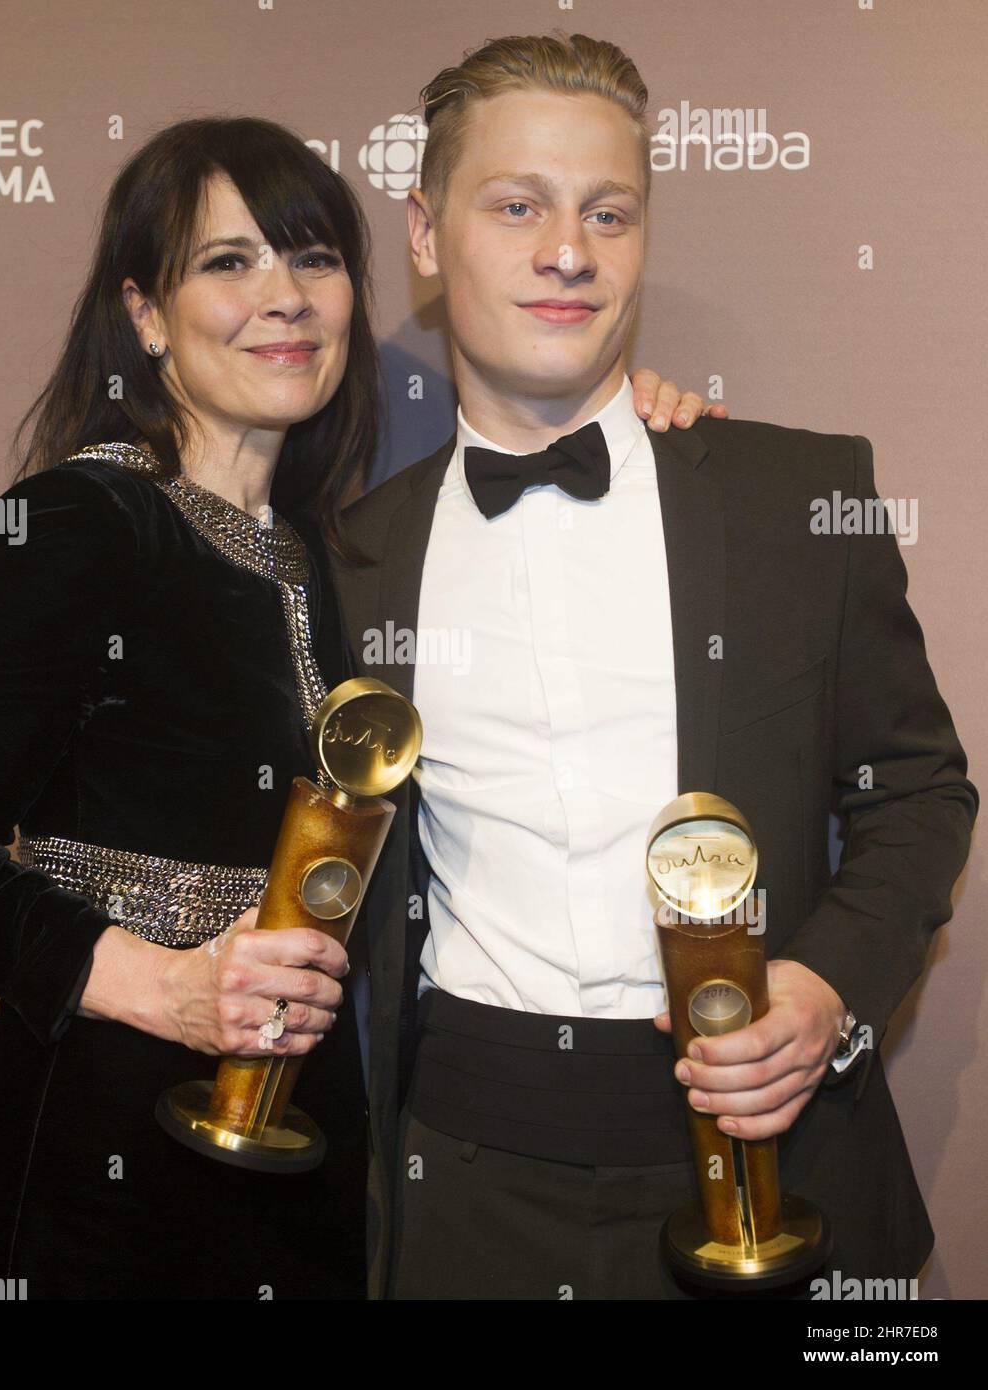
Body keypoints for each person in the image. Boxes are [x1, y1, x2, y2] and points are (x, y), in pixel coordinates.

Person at [0, 111, 707, 1299]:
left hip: (308, 1158)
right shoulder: (75, 525)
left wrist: (625, 407)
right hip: (99, 1159)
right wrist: (169, 987)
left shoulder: (333, 559)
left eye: (312, 258)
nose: (285, 296)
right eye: (228, 262)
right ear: (145, 313)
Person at [330, 32, 978, 1300]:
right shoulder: (350, 558)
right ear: (422, 230)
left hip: (776, 1175)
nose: (567, 251)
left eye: (606, 212)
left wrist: (828, 988)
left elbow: (920, 795)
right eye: (516, 205)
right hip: (457, 1188)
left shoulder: (796, 499)